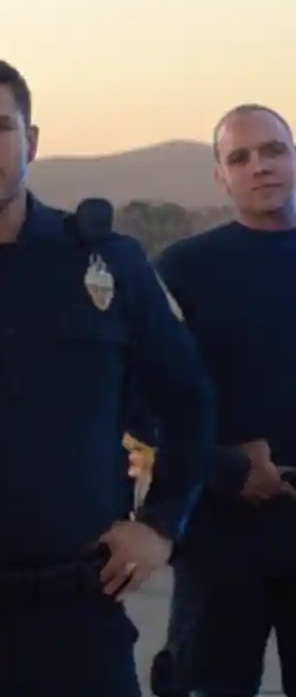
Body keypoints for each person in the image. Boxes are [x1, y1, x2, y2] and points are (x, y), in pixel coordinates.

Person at [0, 54, 215, 697]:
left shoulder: (107, 263)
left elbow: (188, 402)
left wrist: (163, 524)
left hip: (81, 609)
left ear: (31, 140)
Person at [148, 104, 296, 696]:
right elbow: (144, 400)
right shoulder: (184, 270)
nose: (260, 166)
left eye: (274, 150)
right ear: (221, 176)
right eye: (240, 157)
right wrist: (228, 468)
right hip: (220, 539)